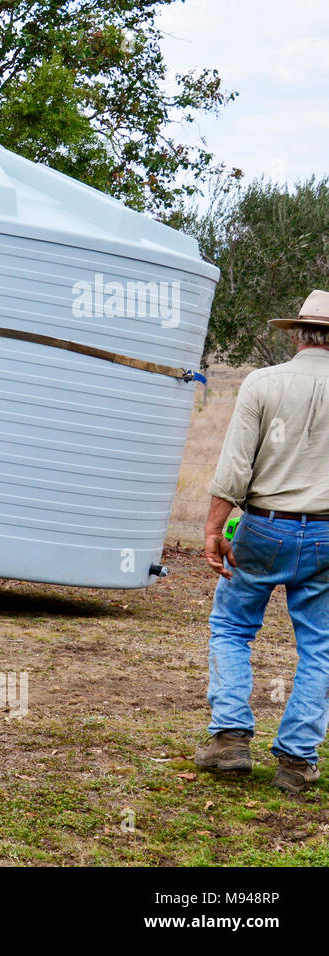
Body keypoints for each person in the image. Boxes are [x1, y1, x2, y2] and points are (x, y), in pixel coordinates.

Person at [195, 290, 329, 793]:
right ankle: (296, 759)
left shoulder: (262, 383)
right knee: (320, 647)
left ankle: (230, 736)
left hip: (264, 527)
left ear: (297, 333)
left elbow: (234, 466)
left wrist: (213, 528)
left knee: (232, 628)